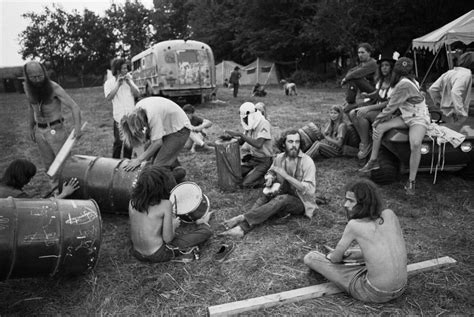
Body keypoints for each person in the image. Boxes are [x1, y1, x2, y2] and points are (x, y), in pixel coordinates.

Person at [304, 179, 407, 303]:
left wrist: (335, 255)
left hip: (374, 293)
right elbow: (386, 247)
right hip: (401, 287)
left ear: (364, 203)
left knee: (311, 257)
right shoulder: (389, 214)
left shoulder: (355, 225)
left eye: (351, 200)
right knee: (358, 253)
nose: (345, 204)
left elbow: (336, 259)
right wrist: (356, 254)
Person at [220, 130, 317, 237]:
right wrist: (269, 178)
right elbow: (270, 172)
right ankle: (241, 229)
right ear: (283, 144)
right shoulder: (279, 158)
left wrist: (286, 176)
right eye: (290, 141)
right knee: (264, 196)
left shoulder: (307, 162)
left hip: (301, 201)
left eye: (297, 142)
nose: (294, 145)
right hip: (282, 191)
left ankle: (243, 219)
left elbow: (307, 189)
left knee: (282, 200)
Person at [359, 57, 430, 195]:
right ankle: (373, 160)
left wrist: (377, 119)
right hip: (406, 116)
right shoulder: (407, 82)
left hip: (418, 118)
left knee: (415, 143)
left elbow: (391, 107)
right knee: (380, 128)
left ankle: (411, 181)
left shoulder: (404, 84)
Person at [129, 165, 212, 263]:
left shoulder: (132, 202)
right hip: (157, 254)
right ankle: (203, 223)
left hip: (137, 252)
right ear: (161, 186)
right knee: (205, 232)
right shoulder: (165, 205)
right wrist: (173, 226)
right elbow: (168, 239)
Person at [24, 61, 83, 177]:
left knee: (64, 165)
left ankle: (69, 191)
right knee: (49, 166)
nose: (37, 80)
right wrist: (31, 127)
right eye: (33, 77)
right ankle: (56, 191)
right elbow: (31, 108)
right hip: (40, 133)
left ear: (44, 73)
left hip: (56, 131)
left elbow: (74, 106)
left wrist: (77, 128)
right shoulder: (28, 88)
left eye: (40, 76)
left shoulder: (54, 87)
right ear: (27, 77)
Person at [120, 97, 191, 183]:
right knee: (150, 158)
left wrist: (139, 160)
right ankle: (177, 172)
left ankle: (176, 180)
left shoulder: (153, 116)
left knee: (157, 168)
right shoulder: (138, 110)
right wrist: (142, 159)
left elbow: (157, 143)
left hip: (180, 129)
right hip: (168, 128)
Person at [349, 55, 395, 159]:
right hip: (379, 109)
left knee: (361, 114)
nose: (384, 67)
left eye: (387, 65)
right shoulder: (381, 81)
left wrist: (368, 108)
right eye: (382, 65)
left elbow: (389, 103)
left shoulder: (395, 83)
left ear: (392, 67)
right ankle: (365, 141)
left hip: (389, 113)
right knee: (352, 113)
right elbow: (378, 93)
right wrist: (368, 95)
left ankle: (365, 144)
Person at [225, 102, 273, 188]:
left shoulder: (264, 123)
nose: (244, 121)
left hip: (264, 160)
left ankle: (267, 178)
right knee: (234, 174)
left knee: (245, 184)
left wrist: (240, 134)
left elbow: (258, 144)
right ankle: (255, 173)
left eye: (246, 118)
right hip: (253, 158)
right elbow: (241, 142)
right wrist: (229, 138)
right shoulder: (250, 125)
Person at [104, 58, 140, 159]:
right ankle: (114, 164)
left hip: (131, 116)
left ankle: (126, 163)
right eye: (124, 68)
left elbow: (137, 94)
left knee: (129, 142)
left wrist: (129, 83)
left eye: (126, 68)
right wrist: (118, 85)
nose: (126, 70)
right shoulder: (109, 83)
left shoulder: (130, 79)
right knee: (118, 142)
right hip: (118, 117)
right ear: (118, 70)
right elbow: (108, 97)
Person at [428, 51, 473, 125]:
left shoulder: (450, 72)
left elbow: (432, 89)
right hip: (456, 114)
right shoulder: (466, 74)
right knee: (459, 133)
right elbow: (455, 92)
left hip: (445, 112)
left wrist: (439, 103)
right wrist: (461, 112)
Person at [0, 159, 79, 199]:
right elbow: (40, 207)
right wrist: (64, 194)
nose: (29, 181)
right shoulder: (18, 196)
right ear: (22, 177)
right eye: (29, 178)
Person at [341, 43, 377, 112]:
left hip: (376, 91)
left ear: (369, 53)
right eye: (359, 52)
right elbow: (351, 70)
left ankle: (351, 102)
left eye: (362, 52)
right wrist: (346, 78)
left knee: (354, 78)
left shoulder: (372, 63)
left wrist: (345, 79)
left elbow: (356, 73)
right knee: (352, 77)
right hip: (369, 89)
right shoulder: (364, 63)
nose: (360, 55)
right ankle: (349, 101)